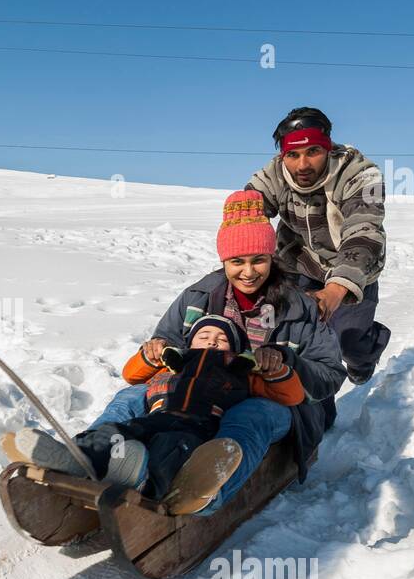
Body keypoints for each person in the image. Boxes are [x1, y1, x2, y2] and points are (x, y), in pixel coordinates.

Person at [81, 191, 347, 510]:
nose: (248, 272)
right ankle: (91, 461)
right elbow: (166, 347)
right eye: (237, 262)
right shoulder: (198, 297)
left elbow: (330, 375)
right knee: (130, 398)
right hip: (204, 394)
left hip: (276, 400)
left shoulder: (299, 307)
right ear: (224, 260)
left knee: (249, 413)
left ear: (271, 258)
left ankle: (204, 495)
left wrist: (286, 362)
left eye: (258, 260)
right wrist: (157, 352)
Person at [10, 314, 305, 515]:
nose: (213, 340)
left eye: (221, 338)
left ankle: (146, 484)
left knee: (171, 449)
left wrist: (276, 371)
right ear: (190, 342)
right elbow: (130, 375)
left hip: (197, 426)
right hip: (156, 415)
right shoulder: (173, 364)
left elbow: (291, 396)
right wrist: (149, 356)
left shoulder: (241, 370)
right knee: (114, 430)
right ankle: (77, 458)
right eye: (204, 335)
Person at [246, 107, 391, 387]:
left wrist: (336, 291)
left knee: (348, 340)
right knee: (277, 329)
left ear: (328, 148)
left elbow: (364, 231)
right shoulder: (273, 174)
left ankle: (365, 353)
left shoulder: (362, 174)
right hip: (296, 261)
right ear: (282, 155)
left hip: (353, 265)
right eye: (293, 155)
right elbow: (245, 214)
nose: (302, 165)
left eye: (313, 151)